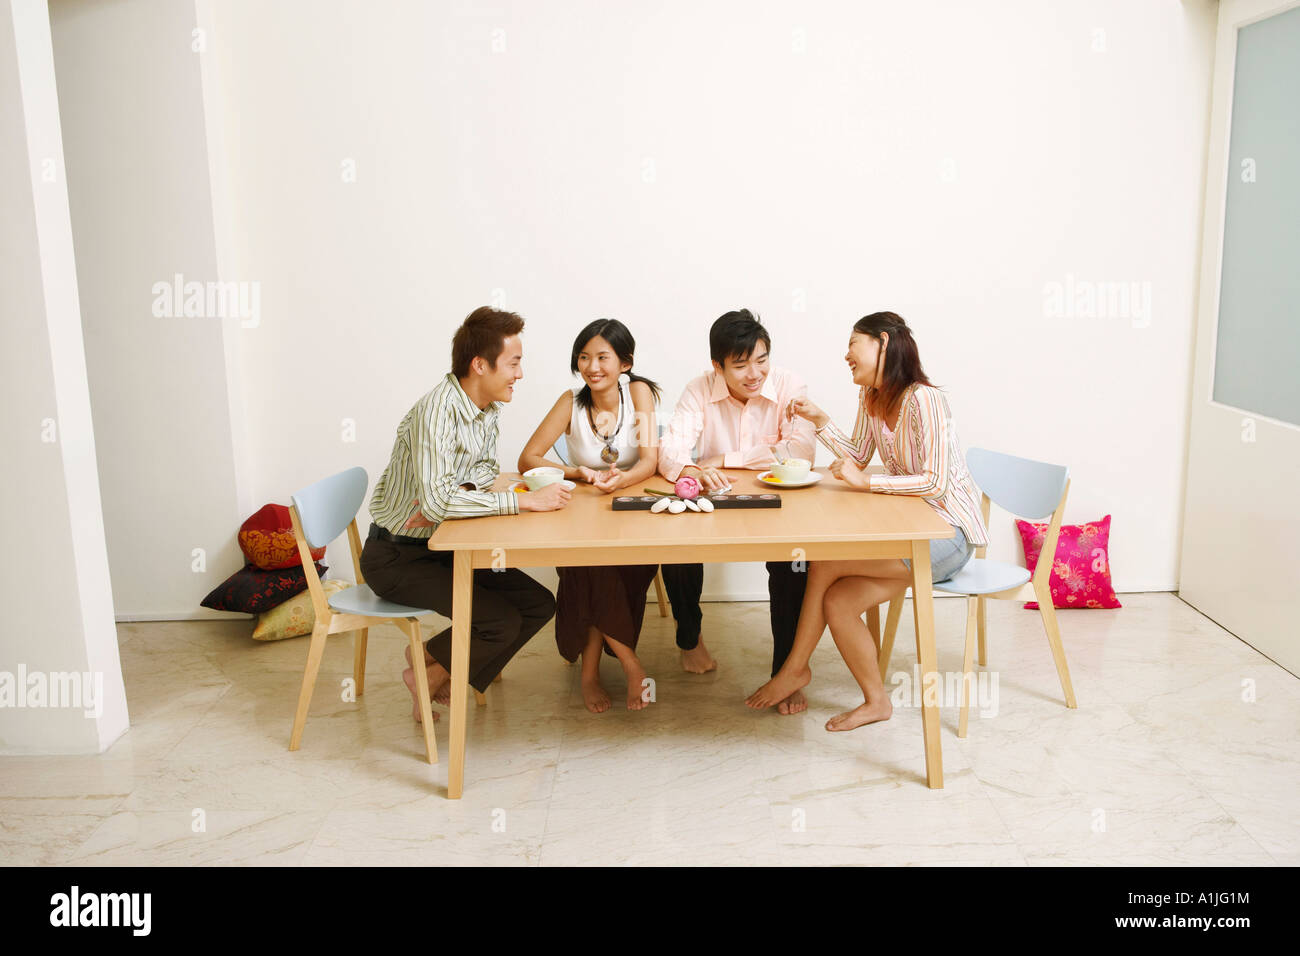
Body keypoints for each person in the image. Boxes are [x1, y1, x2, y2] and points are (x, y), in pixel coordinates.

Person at [745, 311, 989, 731]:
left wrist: (868, 486)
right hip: (911, 532)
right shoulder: (873, 398)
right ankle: (877, 702)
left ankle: (794, 668)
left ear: (882, 343)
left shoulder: (924, 400)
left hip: (949, 535)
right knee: (838, 602)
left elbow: (935, 480)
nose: (846, 355)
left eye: (853, 344)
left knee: (824, 562)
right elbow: (857, 455)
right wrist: (819, 421)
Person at [360, 306, 571, 722]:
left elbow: (483, 475)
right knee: (500, 622)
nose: (520, 374)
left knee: (539, 604)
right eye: (514, 363)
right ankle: (433, 675)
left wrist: (459, 497)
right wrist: (521, 501)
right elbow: (439, 504)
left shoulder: (487, 411)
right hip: (397, 558)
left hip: (443, 545)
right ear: (480, 364)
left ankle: (431, 667)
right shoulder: (436, 412)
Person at [658, 308, 816, 714]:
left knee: (793, 563)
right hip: (716, 497)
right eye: (741, 364)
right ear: (718, 366)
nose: (754, 373)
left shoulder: (789, 385)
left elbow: (801, 451)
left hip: (777, 498)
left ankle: (787, 670)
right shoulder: (698, 389)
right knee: (676, 545)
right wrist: (693, 466)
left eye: (761, 360)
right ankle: (689, 639)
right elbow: (672, 452)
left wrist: (720, 459)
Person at [518, 319, 663, 713]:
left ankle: (590, 672)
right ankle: (630, 664)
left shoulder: (640, 393)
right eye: (584, 357)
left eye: (603, 357)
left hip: (635, 514)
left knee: (593, 569)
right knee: (587, 561)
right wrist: (578, 472)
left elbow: (650, 460)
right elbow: (528, 458)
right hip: (582, 515)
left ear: (625, 363)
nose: (592, 366)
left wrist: (621, 481)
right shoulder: (570, 402)